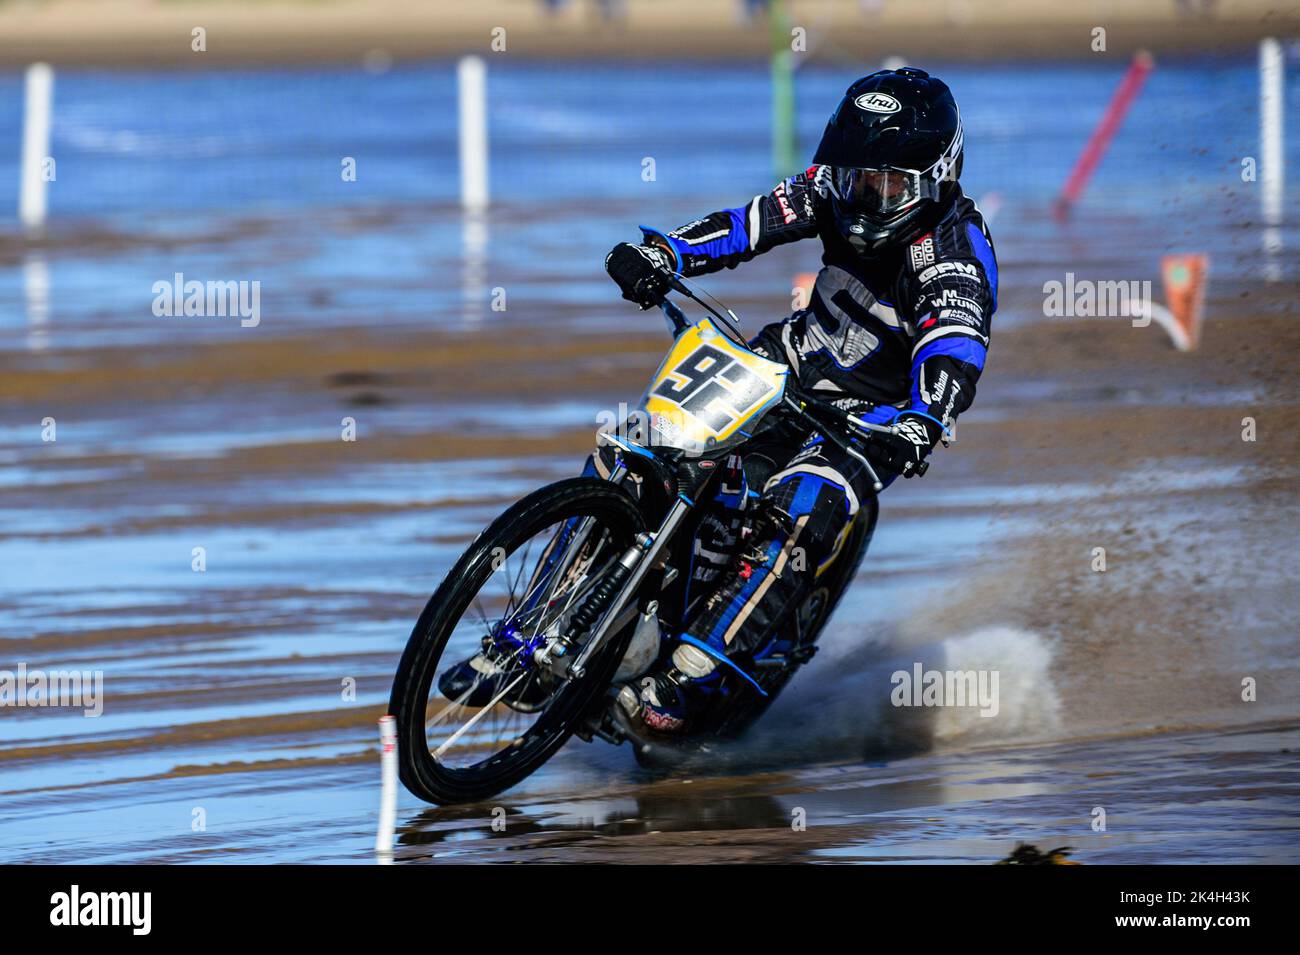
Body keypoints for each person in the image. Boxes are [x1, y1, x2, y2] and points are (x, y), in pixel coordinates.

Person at [600, 67, 998, 733]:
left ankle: (687, 677)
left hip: (873, 420)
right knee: (647, 437)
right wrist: (664, 253)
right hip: (788, 361)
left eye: (887, 182)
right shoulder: (833, 186)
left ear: (936, 176)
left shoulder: (953, 251)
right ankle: (547, 623)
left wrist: (926, 419)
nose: (866, 193)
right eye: (855, 176)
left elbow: (954, 346)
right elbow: (748, 224)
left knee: (802, 506)